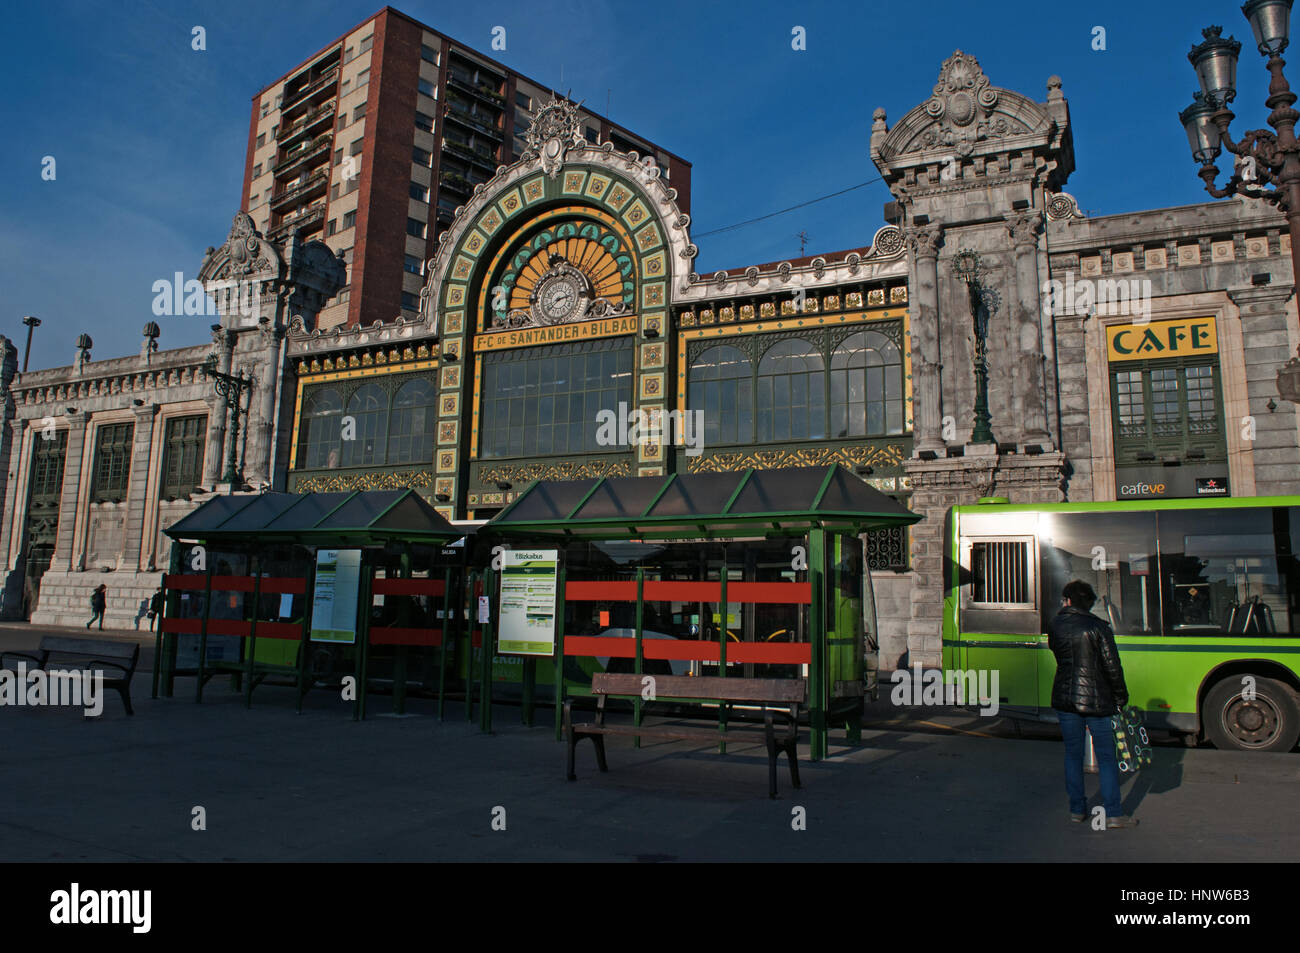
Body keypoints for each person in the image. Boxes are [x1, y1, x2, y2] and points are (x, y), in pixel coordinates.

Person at [1048, 579, 1138, 829]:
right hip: (1098, 701)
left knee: (1072, 755)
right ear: (1088, 603)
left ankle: (1077, 809)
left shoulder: (1055, 625)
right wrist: (1121, 697)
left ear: (1067, 600)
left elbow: (1061, 657)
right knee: (1107, 758)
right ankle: (1113, 813)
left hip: (1065, 699)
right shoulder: (1099, 627)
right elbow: (1112, 667)